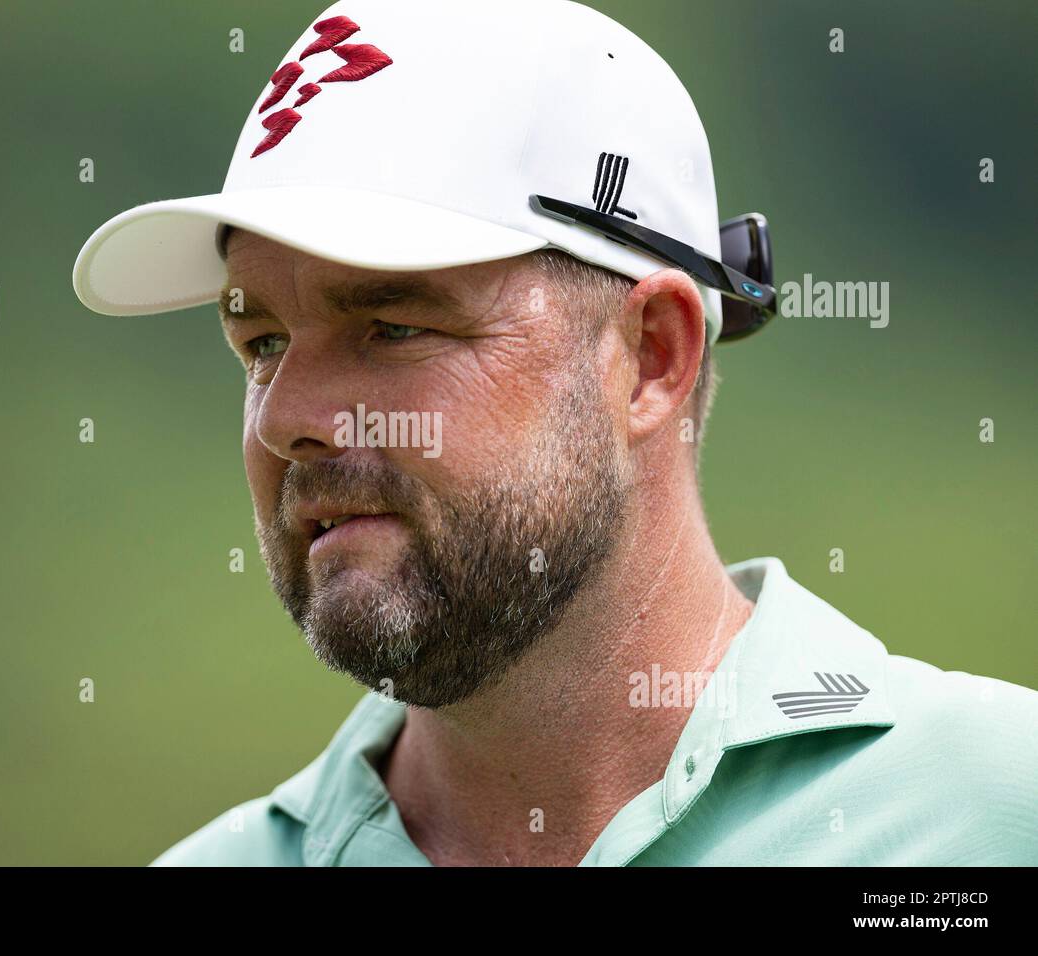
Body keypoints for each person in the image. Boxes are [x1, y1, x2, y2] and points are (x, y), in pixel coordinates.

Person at [72, 0, 1038, 866]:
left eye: (395, 326)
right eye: (262, 343)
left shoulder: (996, 810)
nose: (286, 418)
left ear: (653, 357)